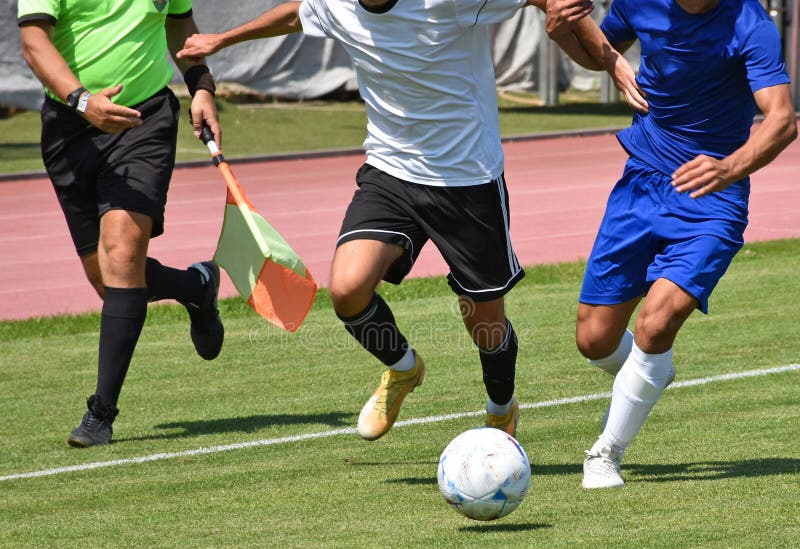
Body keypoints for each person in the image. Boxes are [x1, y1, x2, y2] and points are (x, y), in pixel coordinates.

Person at [177, 0, 625, 441]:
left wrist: (603, 55)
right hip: (390, 174)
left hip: (468, 180)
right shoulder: (340, 6)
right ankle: (403, 368)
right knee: (348, 290)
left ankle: (501, 408)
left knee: (483, 321)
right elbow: (298, 13)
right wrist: (223, 39)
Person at [551, 0, 797, 487]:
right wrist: (561, 35)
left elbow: (782, 119)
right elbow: (602, 52)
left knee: (656, 321)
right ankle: (650, 368)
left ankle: (606, 453)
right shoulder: (639, 2)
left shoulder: (750, 23)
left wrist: (729, 168)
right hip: (640, 182)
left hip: (712, 197)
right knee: (594, 340)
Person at [18, 0, 226, 447]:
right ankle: (195, 287)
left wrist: (201, 85)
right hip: (68, 127)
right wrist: (82, 100)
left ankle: (100, 414)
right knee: (108, 279)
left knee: (123, 254)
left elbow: (179, 23)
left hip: (143, 121)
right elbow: (34, 42)